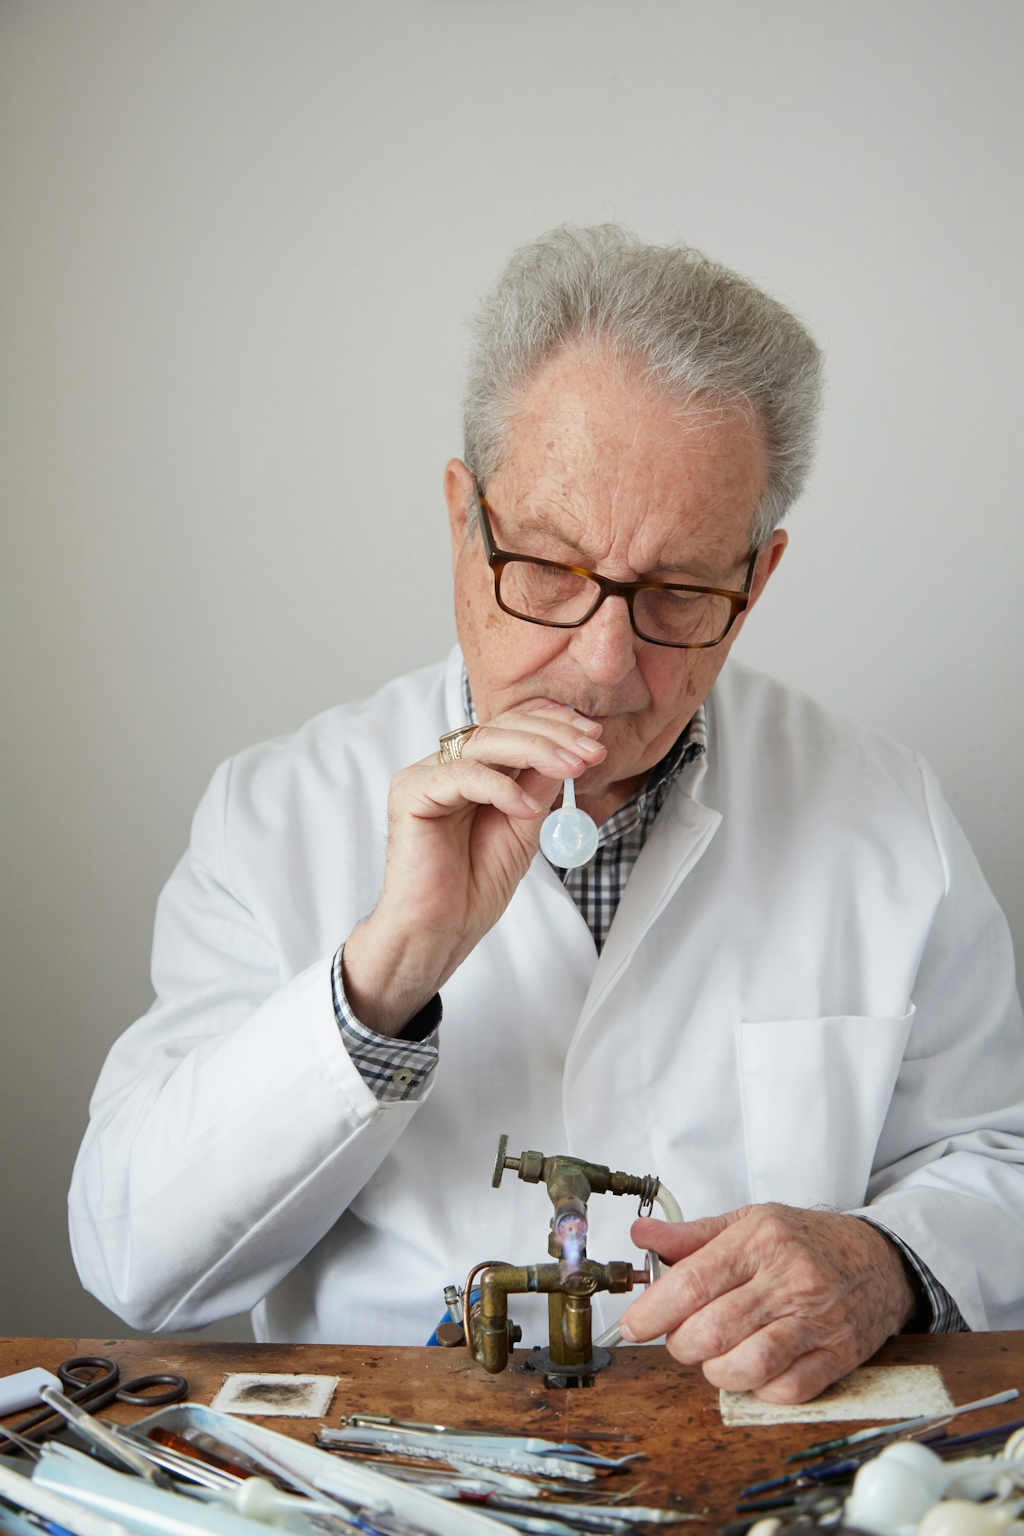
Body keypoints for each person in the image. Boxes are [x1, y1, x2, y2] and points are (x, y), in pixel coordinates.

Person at [69, 225, 1024, 1405]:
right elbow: (134, 1262)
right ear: (462, 523)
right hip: (406, 1457)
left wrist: (883, 1263)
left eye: (677, 592)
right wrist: (386, 974)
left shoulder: (886, 813)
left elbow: (998, 1159)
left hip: (753, 1459)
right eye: (551, 570)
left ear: (756, 579)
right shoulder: (274, 813)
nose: (603, 664)